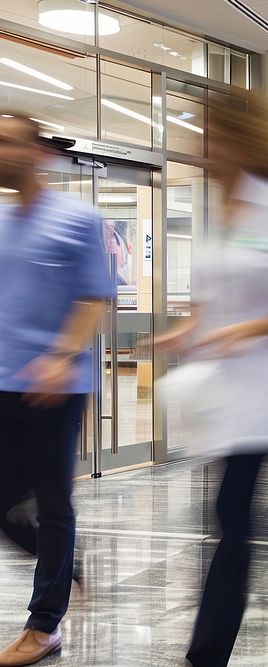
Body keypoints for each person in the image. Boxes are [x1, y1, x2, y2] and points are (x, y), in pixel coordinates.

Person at [155, 97, 268, 666]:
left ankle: (206, 654)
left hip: (265, 398)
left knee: (230, 518)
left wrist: (249, 329)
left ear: (247, 141)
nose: (207, 147)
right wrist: (185, 332)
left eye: (217, 135)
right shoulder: (221, 214)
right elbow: (210, 306)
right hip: (219, 397)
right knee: (228, 516)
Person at [0, 113, 115, 667]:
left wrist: (62, 355)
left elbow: (94, 299)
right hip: (1, 381)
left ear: (38, 153)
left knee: (52, 506)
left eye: (6, 140)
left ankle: (44, 625)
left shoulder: (77, 218)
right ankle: (62, 565)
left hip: (56, 387)